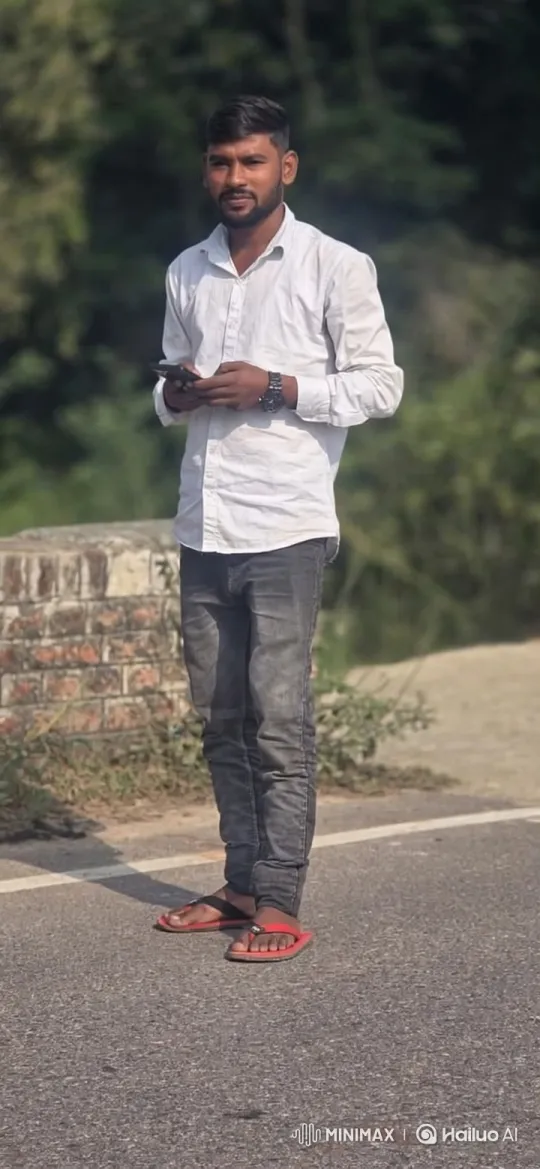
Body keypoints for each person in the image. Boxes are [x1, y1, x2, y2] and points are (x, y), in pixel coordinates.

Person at [153, 94, 403, 963]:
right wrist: (176, 391)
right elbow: (165, 389)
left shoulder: (337, 265)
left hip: (286, 523)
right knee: (221, 718)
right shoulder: (186, 270)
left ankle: (281, 900)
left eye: (252, 161)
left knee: (278, 719)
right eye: (222, 161)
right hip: (205, 522)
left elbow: (381, 385)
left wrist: (275, 386)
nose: (236, 176)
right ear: (207, 169)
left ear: (285, 168)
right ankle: (239, 884)